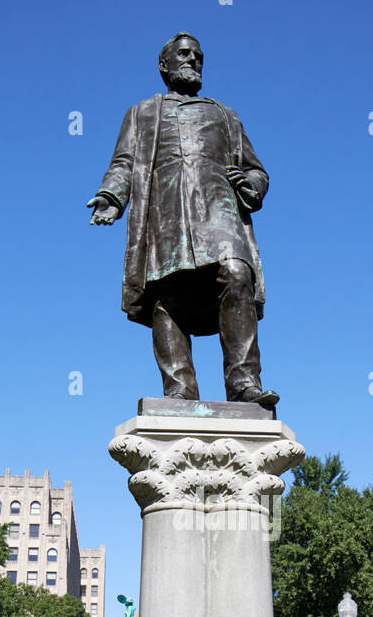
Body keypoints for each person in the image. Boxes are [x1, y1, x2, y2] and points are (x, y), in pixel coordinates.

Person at [88, 33, 279, 407]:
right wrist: (111, 196)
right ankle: (179, 390)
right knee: (168, 292)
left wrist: (251, 184)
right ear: (164, 65)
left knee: (237, 273)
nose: (192, 60)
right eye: (183, 54)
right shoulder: (143, 112)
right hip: (166, 213)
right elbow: (125, 162)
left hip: (218, 209)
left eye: (198, 56)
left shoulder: (226, 114)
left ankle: (244, 383)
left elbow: (258, 171)